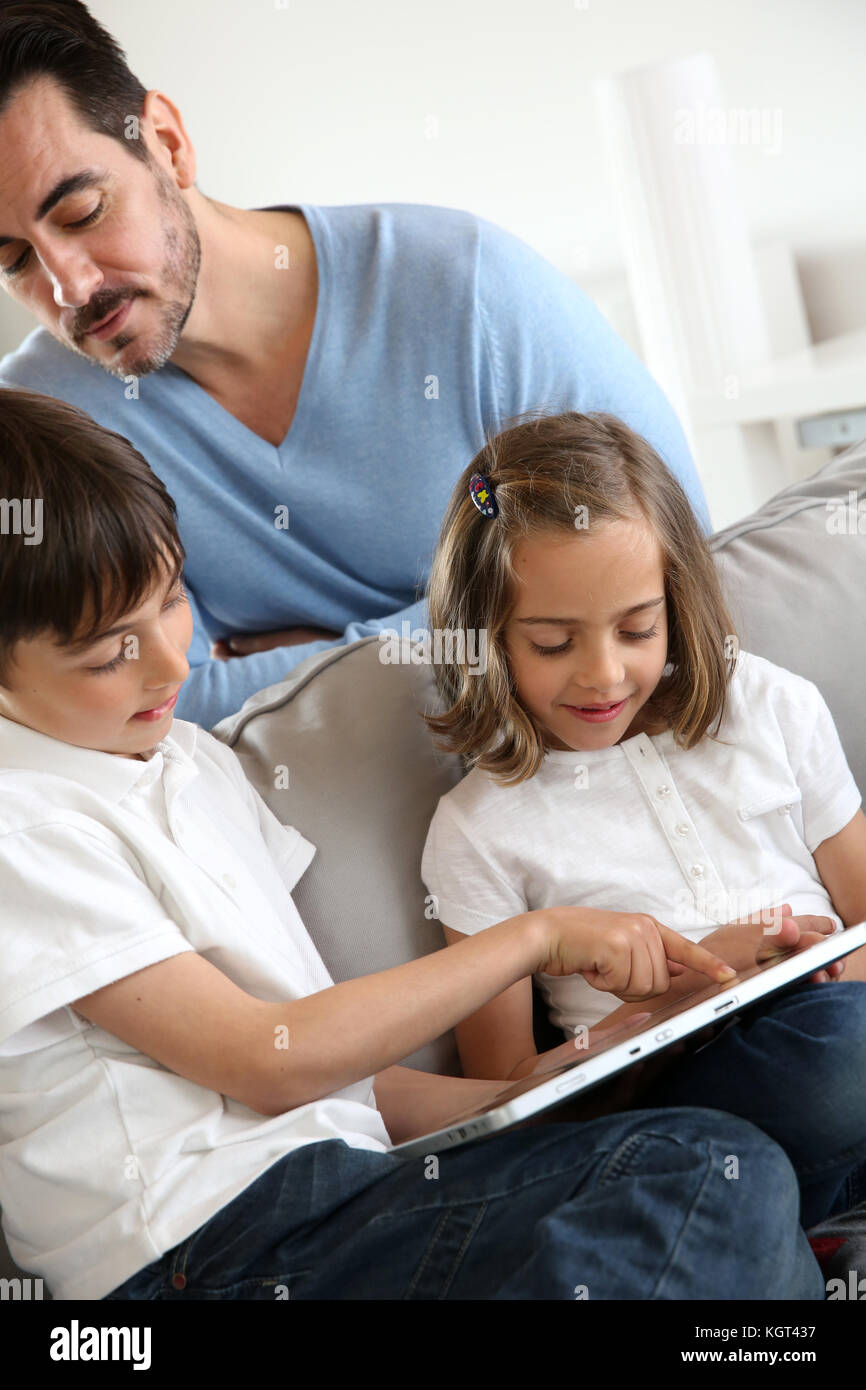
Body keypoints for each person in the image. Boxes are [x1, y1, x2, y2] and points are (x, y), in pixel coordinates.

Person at [0, 386, 828, 1301]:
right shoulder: (22, 819)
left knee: (707, 1166)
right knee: (699, 1184)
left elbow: (350, 1082)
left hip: (346, 1199)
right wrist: (538, 936)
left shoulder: (186, 762)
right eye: (107, 650)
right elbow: (270, 1059)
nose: (168, 664)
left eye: (171, 600)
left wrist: (583, 1072)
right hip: (205, 1253)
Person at [0, 0, 711, 731]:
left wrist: (323, 662)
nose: (69, 289)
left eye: (83, 211)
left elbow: (680, 572)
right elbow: (152, 707)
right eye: (14, 260)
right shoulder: (42, 421)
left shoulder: (463, 288)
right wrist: (493, 620)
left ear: (169, 143)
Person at [419, 408, 866, 1234]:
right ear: (486, 640)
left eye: (636, 629)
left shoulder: (768, 706)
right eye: (553, 643)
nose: (603, 674)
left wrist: (821, 965)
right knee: (839, 1063)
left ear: (677, 604)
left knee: (845, 1036)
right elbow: (517, 1098)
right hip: (678, 1099)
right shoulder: (477, 829)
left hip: (836, 1012)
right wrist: (689, 992)